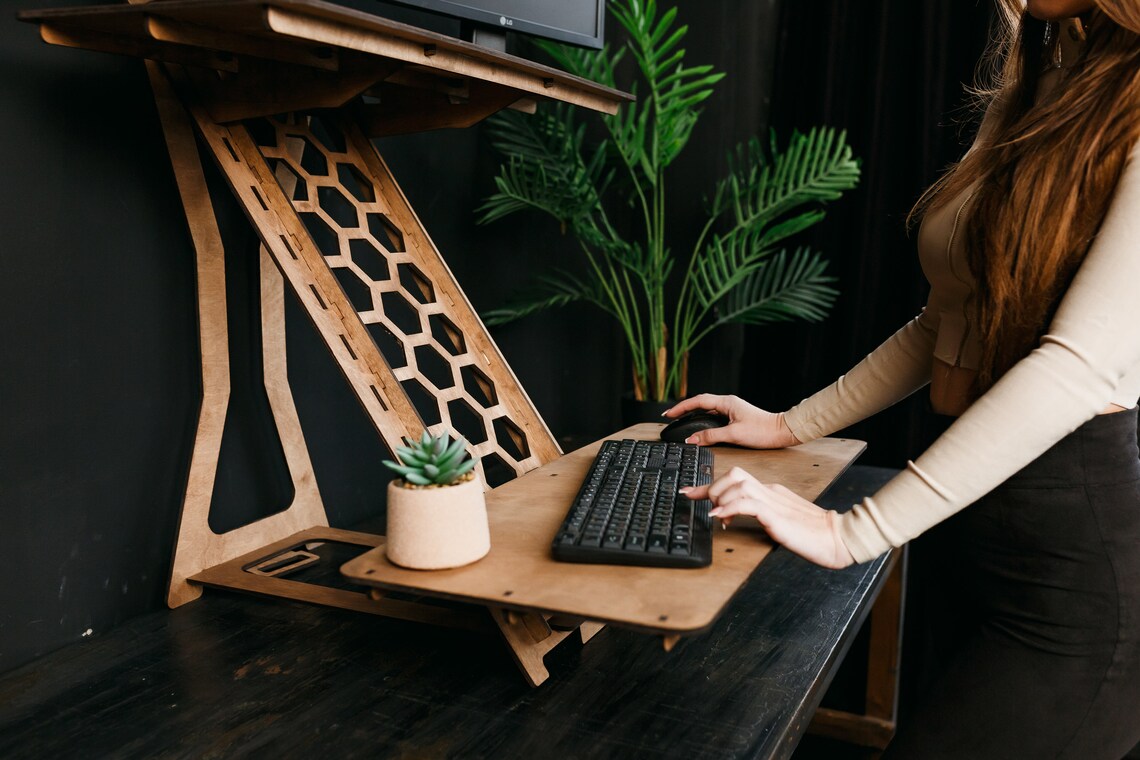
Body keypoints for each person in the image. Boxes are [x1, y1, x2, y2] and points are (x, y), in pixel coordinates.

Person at [666, 1, 1140, 757]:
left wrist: (850, 531)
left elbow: (1075, 369)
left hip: (1075, 584)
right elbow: (941, 321)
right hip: (986, 543)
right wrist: (790, 425)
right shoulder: (1044, 77)